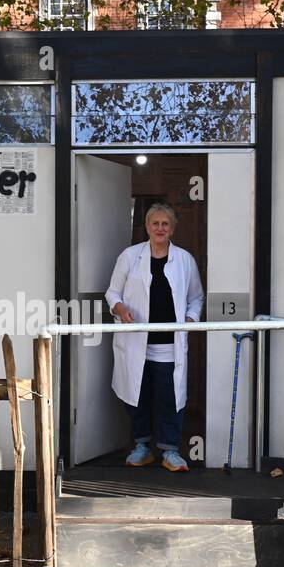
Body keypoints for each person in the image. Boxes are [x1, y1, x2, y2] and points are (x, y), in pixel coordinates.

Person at [105, 202, 204, 472]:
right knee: (137, 396)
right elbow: (112, 292)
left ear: (172, 229)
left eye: (165, 224)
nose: (160, 228)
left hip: (170, 344)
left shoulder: (184, 260)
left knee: (170, 397)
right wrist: (120, 307)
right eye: (155, 223)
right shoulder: (129, 256)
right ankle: (141, 447)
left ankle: (171, 451)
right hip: (137, 341)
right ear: (147, 226)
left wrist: (191, 320)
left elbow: (196, 297)